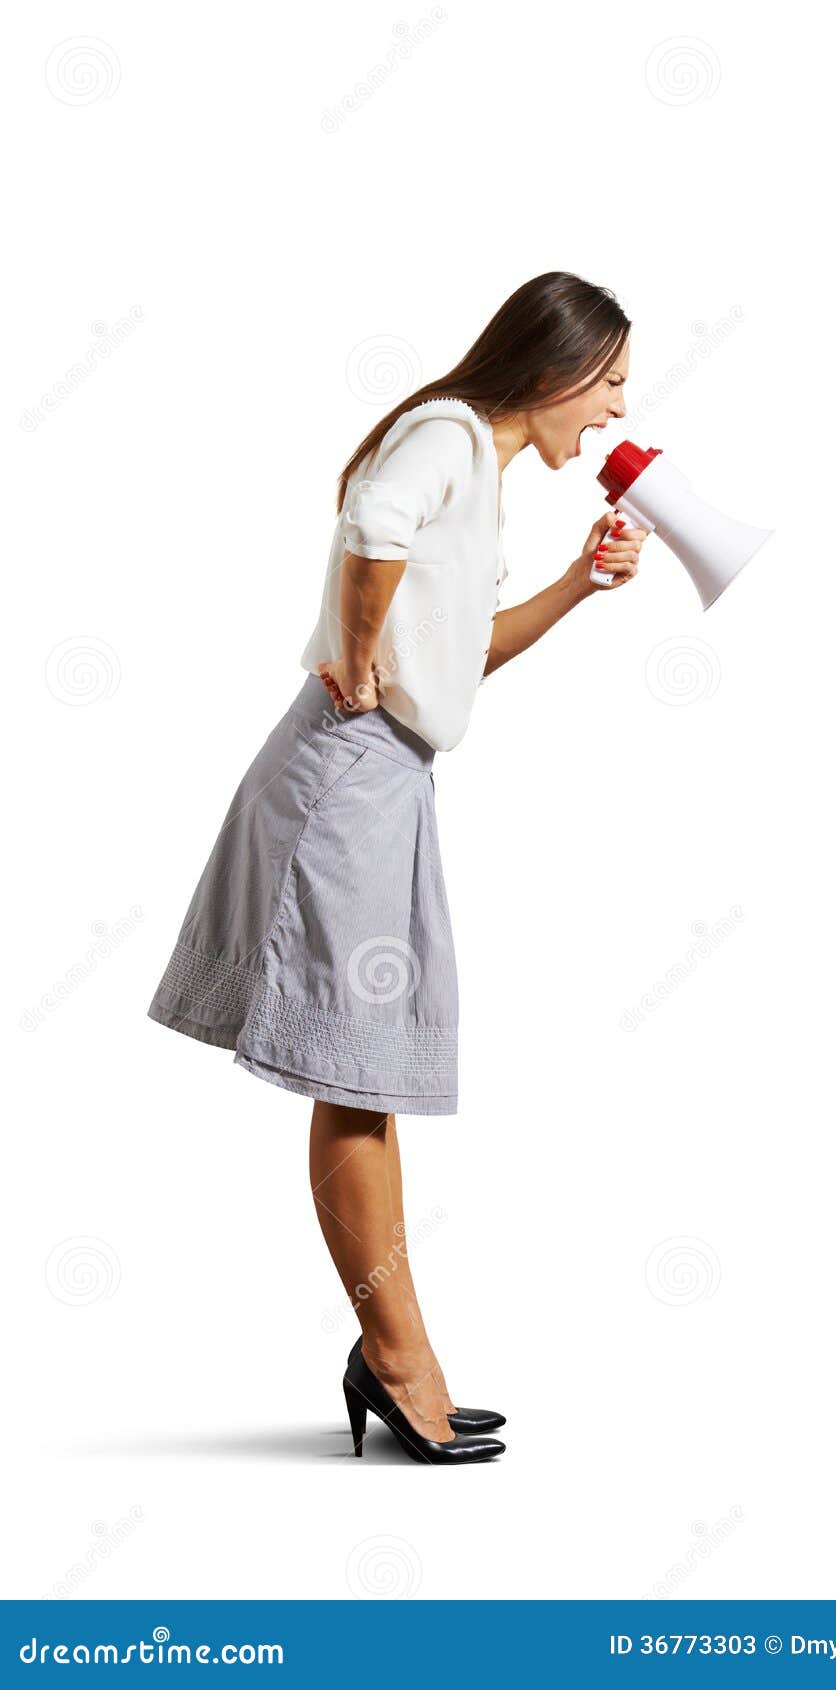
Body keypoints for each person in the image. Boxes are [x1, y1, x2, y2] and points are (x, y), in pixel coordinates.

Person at [147, 272, 647, 1464]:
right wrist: (359, 661)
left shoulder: (480, 472)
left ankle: (396, 1354)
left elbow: (463, 652)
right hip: (350, 773)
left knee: (365, 1072)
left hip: (388, 778)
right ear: (555, 368)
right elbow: (373, 528)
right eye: (613, 383)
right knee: (356, 1074)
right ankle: (399, 1360)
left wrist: (578, 583)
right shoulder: (451, 436)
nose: (620, 411)